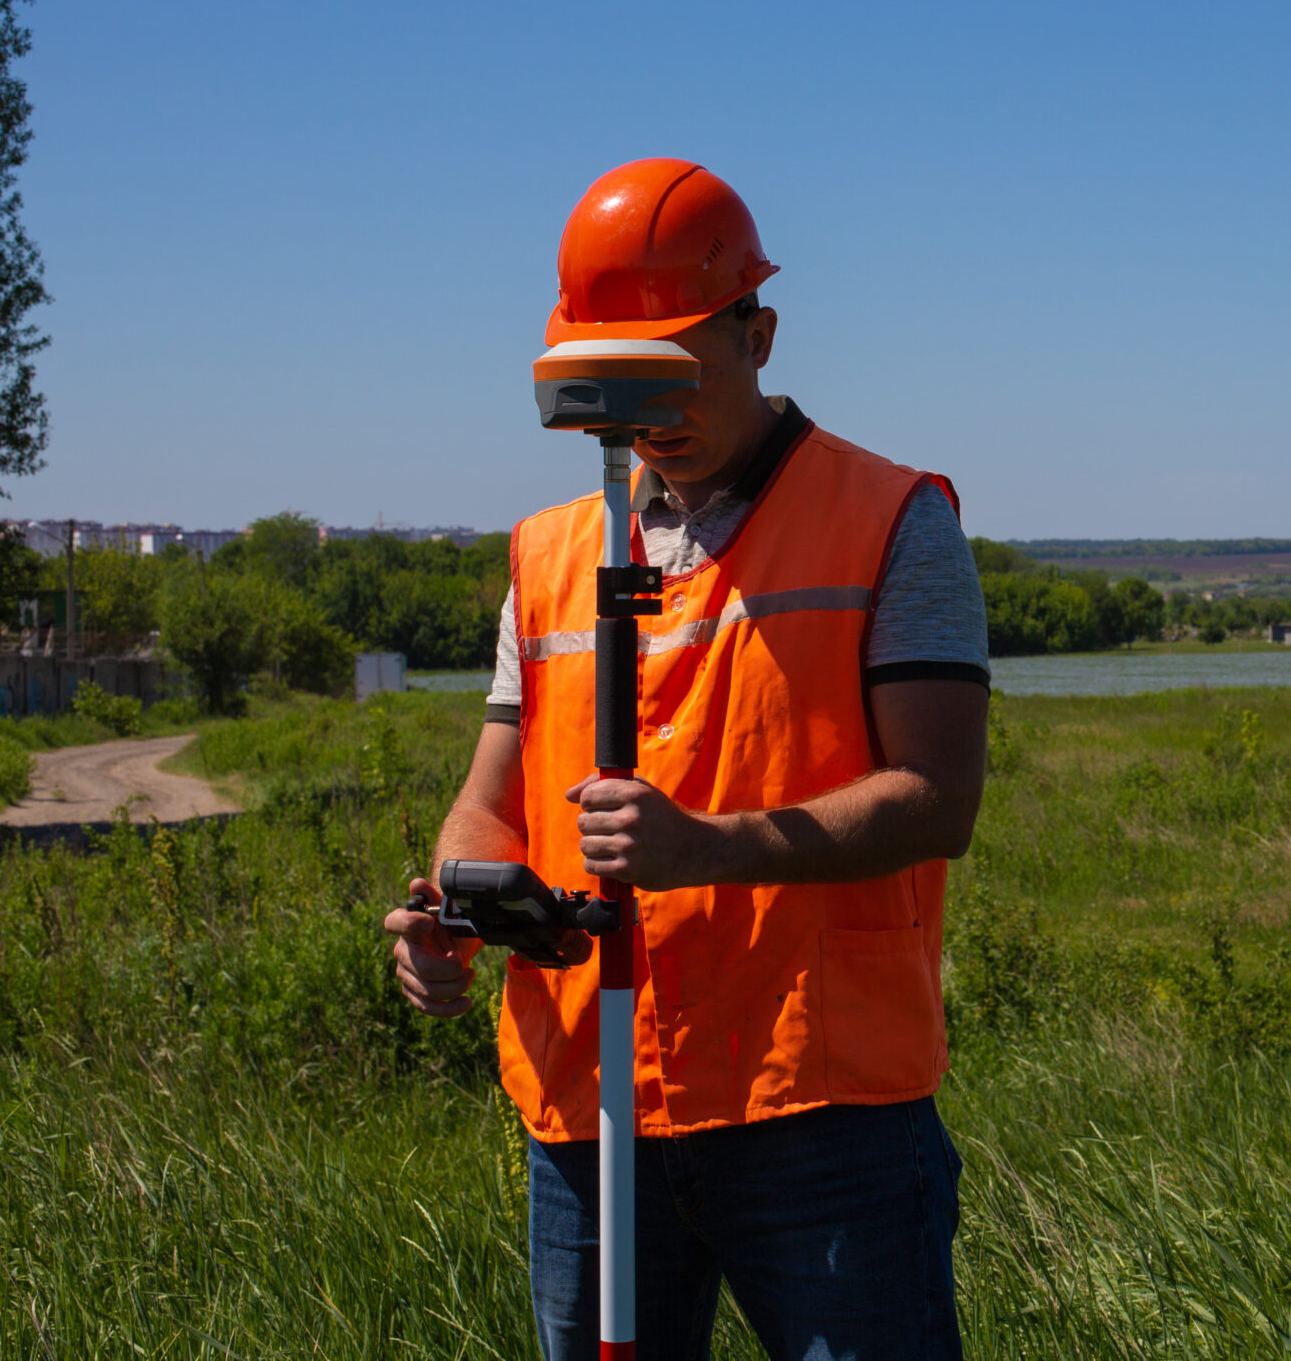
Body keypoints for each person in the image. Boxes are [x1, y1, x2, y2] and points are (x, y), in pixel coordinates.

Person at [382, 158, 989, 1361]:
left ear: (758, 336)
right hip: (591, 1103)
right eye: (613, 371)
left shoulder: (891, 519)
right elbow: (490, 800)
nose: (648, 407)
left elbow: (937, 799)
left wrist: (704, 849)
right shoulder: (549, 555)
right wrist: (457, 907)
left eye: (675, 365)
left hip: (818, 1109)